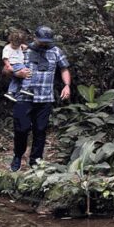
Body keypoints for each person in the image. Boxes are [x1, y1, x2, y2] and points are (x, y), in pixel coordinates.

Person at [10, 25, 71, 171]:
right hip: (24, 96)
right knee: (21, 129)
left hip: (45, 98)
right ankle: (18, 155)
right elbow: (7, 68)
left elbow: (64, 68)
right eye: (41, 40)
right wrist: (17, 73)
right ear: (35, 37)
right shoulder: (23, 50)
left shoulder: (56, 51)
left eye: (46, 41)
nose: (44, 43)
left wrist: (67, 85)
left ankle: (35, 161)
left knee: (40, 130)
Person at [2, 30, 30, 102]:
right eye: (14, 45)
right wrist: (8, 66)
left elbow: (25, 47)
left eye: (18, 45)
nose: (16, 46)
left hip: (19, 64)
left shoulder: (20, 46)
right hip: (14, 64)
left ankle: (10, 92)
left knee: (15, 80)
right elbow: (5, 58)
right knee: (28, 73)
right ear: (10, 40)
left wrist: (23, 46)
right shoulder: (7, 48)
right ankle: (25, 88)